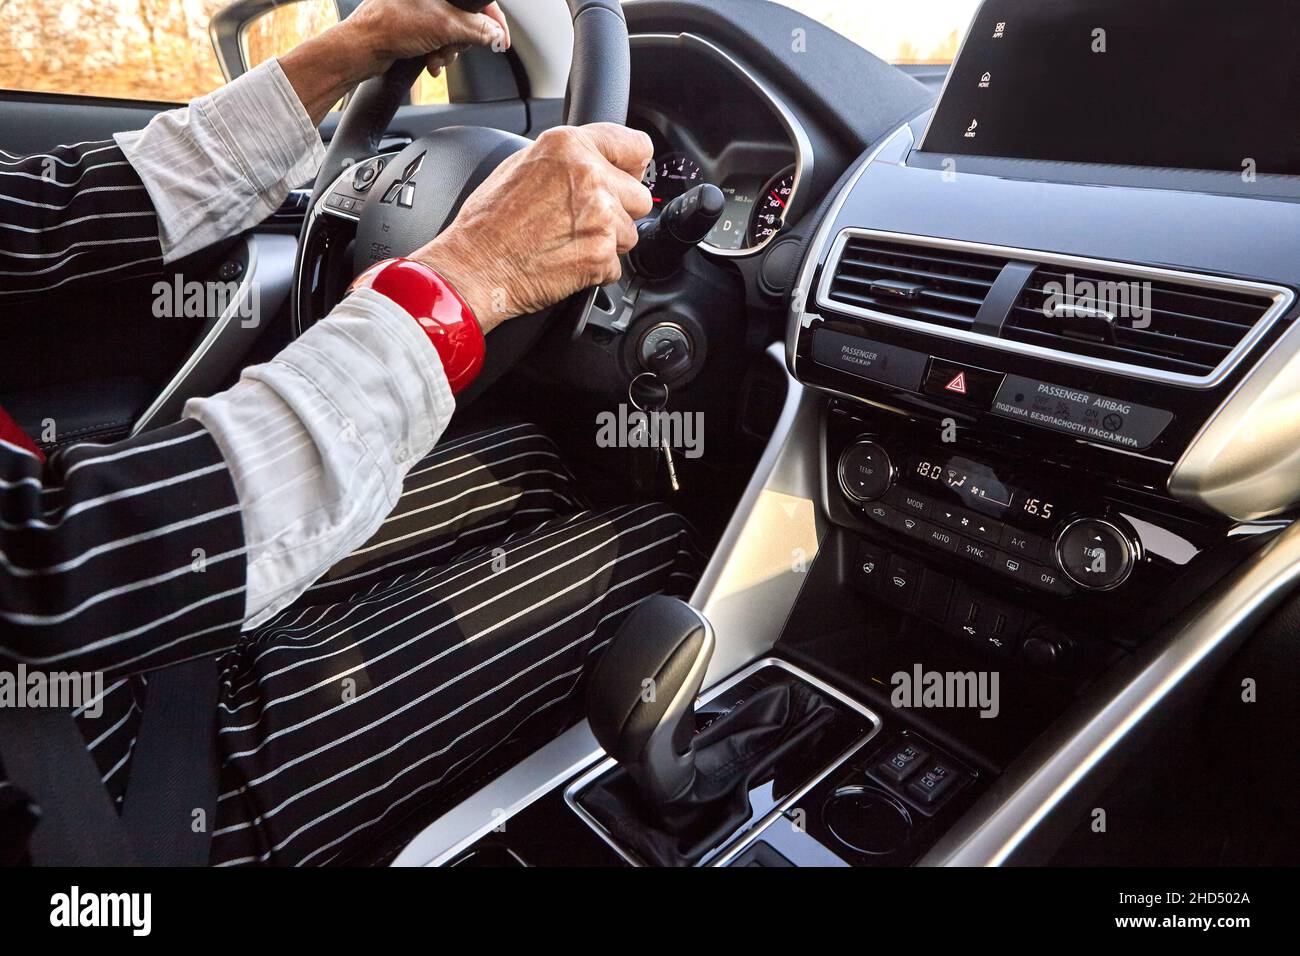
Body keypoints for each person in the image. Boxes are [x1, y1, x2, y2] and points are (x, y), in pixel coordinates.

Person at [0, 0, 699, 865]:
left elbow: (50, 210)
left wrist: (358, 46)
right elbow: (52, 571)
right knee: (656, 542)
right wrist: (471, 273)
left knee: (534, 462)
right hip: (94, 790)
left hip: (100, 632)